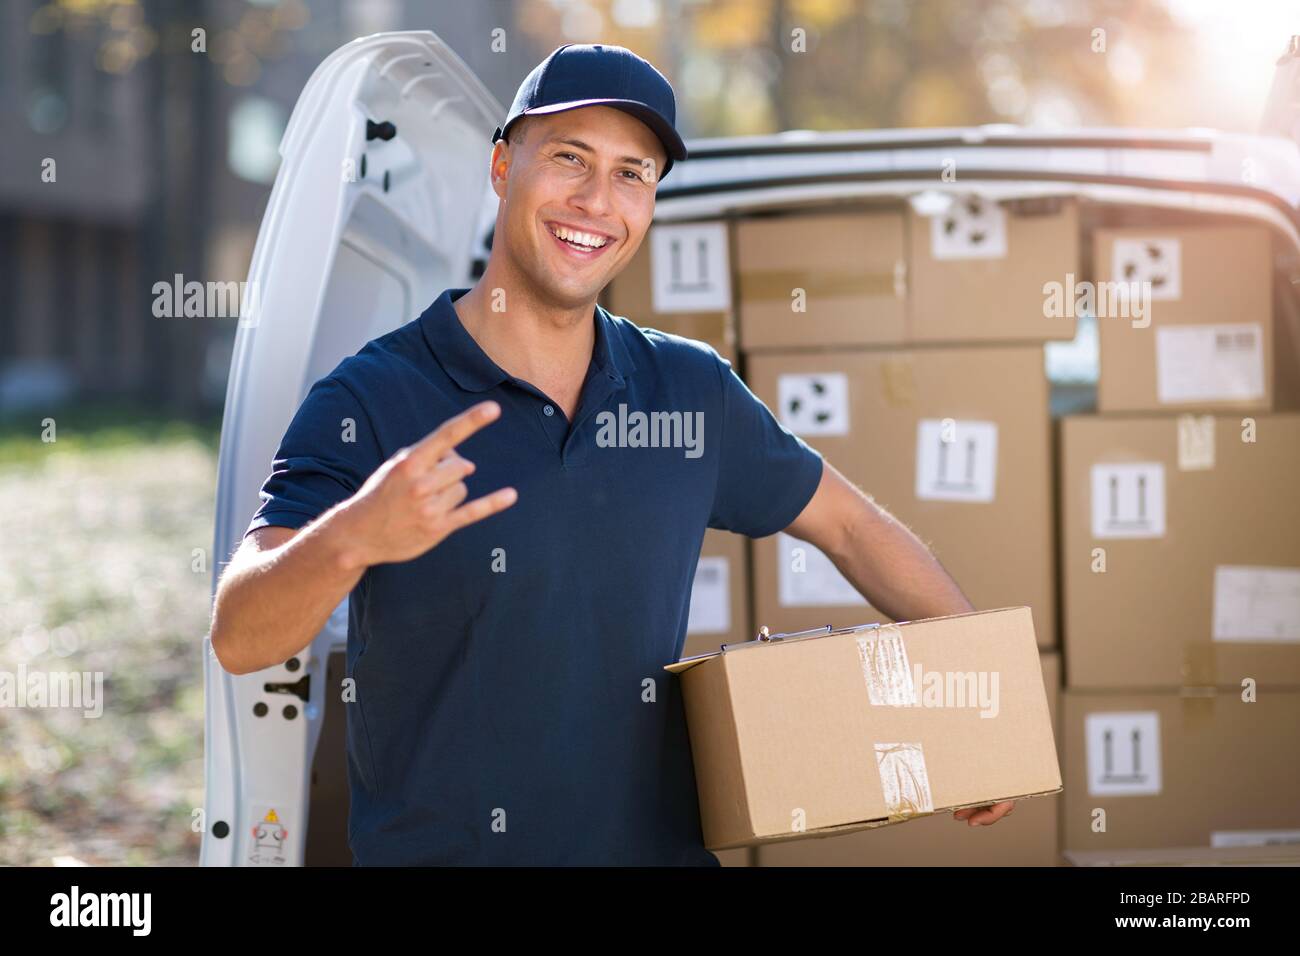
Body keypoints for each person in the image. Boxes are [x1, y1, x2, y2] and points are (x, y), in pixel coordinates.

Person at [208, 42, 1012, 866]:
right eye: (569, 159)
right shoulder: (371, 398)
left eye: (633, 174)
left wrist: (983, 703)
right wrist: (354, 537)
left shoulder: (690, 392)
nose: (598, 201)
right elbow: (239, 636)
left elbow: (848, 526)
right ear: (500, 166)